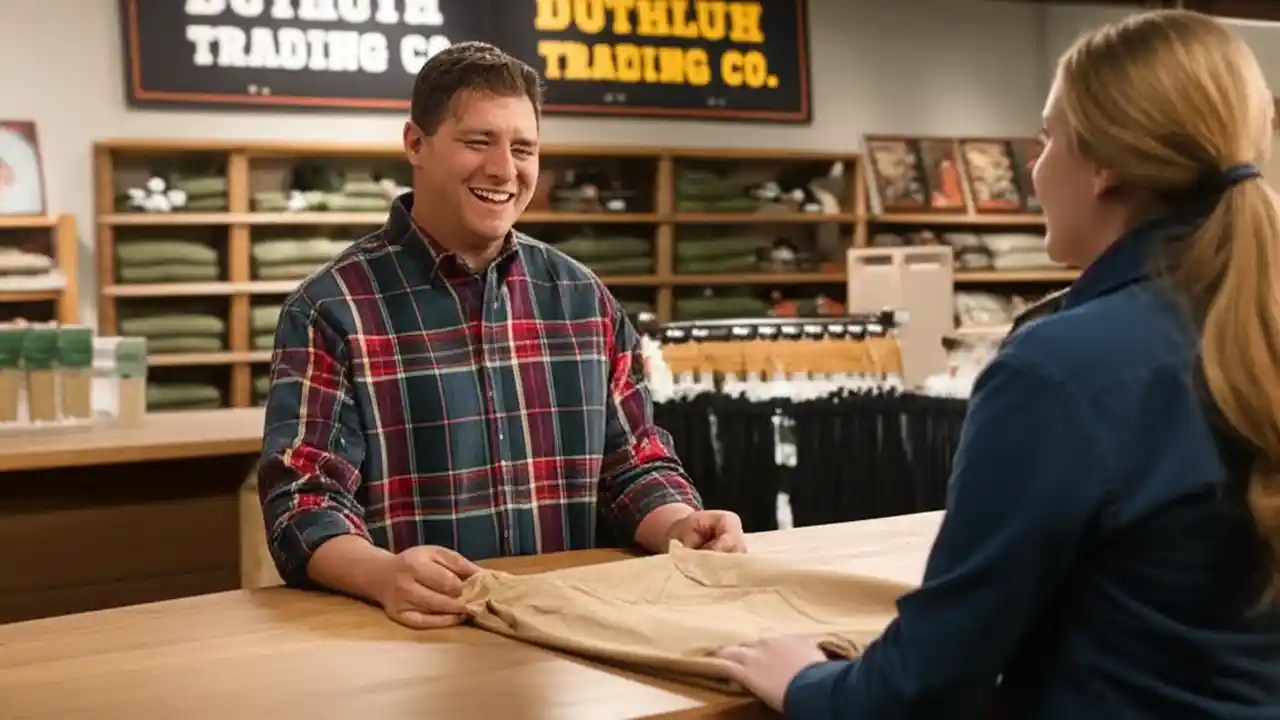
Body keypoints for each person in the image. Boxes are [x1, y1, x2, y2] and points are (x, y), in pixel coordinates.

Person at [717, 10, 1280, 718]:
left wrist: (806, 681)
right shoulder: (1249, 332)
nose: (1035, 169)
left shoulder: (1061, 370)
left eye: (1046, 139)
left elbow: (928, 683)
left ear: (1102, 166)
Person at [257, 41, 746, 631]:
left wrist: (678, 525)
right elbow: (304, 500)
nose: (503, 170)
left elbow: (631, 463)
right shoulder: (331, 309)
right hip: (415, 638)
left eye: (523, 148)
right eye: (478, 141)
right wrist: (382, 575)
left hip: (571, 635)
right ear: (415, 144)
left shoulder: (584, 299)